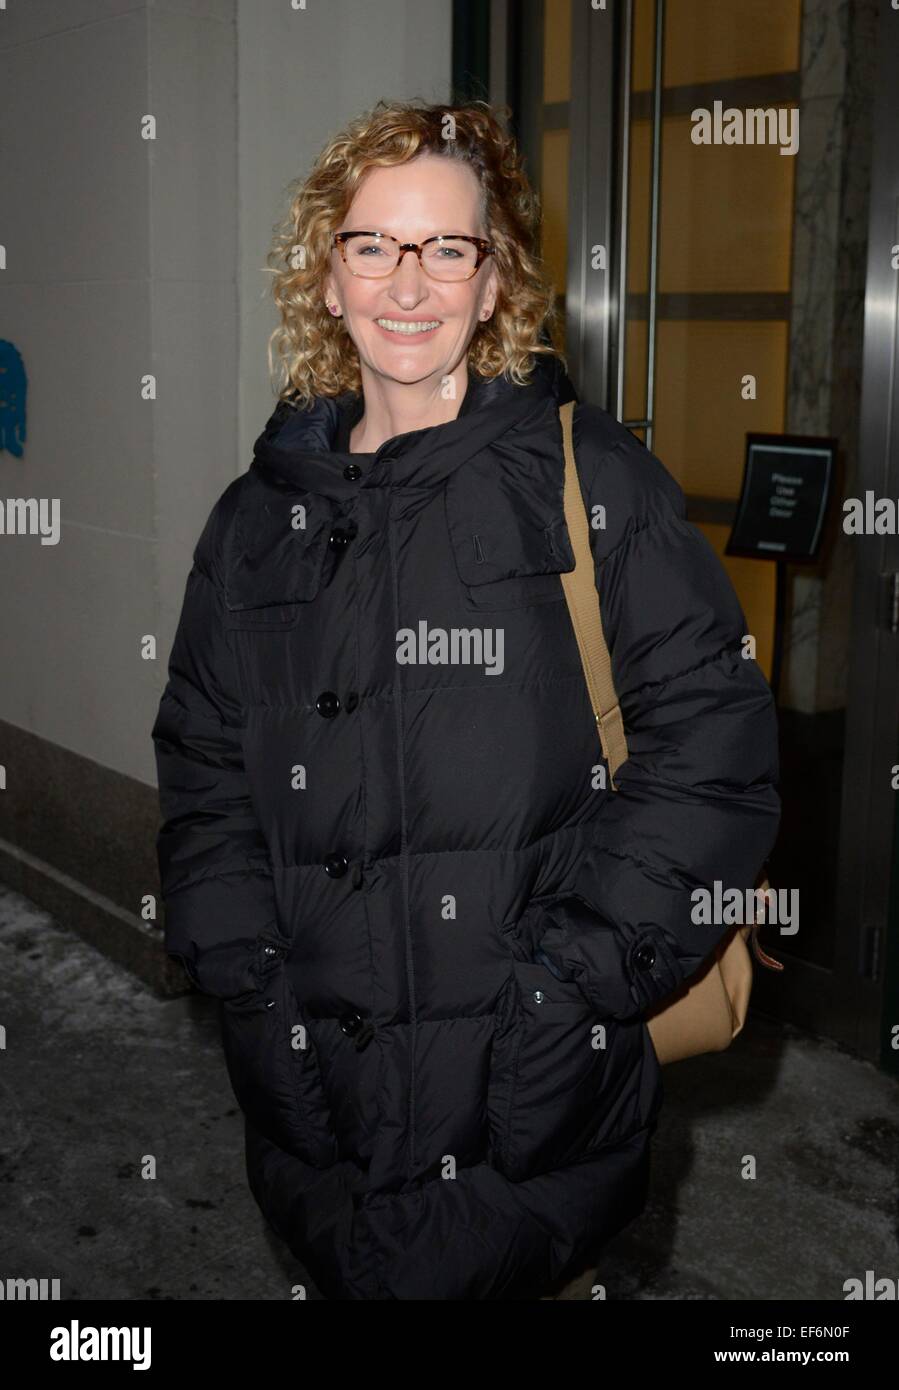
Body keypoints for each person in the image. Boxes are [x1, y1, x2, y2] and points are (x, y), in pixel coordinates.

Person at [151, 99, 780, 1301]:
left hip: (532, 1125)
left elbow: (712, 750)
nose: (408, 283)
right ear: (325, 280)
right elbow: (204, 760)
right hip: (319, 1128)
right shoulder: (254, 524)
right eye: (372, 245)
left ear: (494, 285)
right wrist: (247, 978)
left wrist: (570, 988)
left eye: (448, 248)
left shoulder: (592, 484)